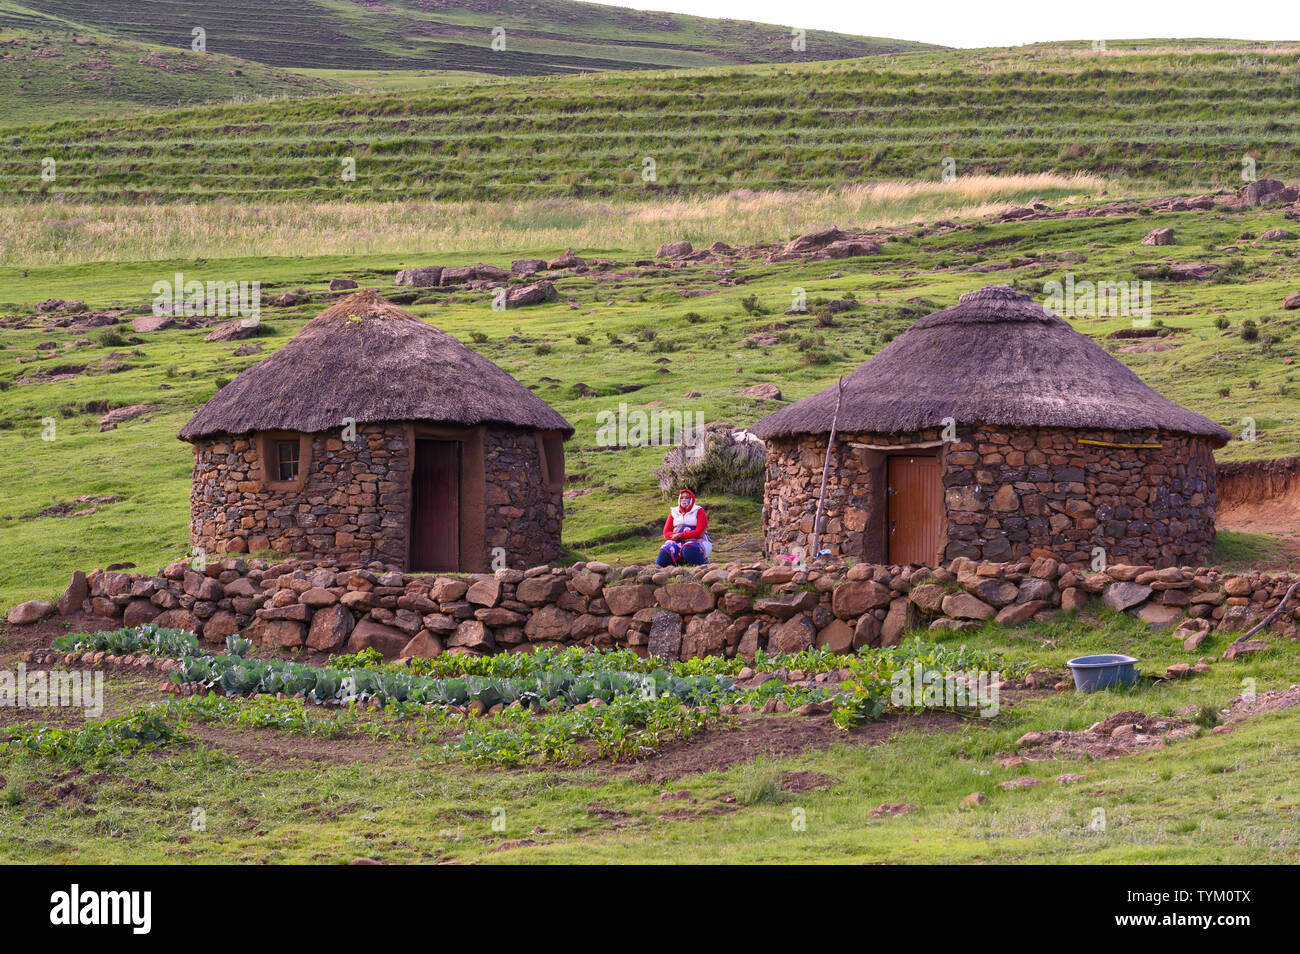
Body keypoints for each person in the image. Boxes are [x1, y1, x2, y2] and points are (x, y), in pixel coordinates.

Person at [656, 488, 712, 566]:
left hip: (696, 539)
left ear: (691, 499)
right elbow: (666, 532)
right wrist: (677, 537)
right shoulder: (674, 512)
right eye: (682, 497)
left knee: (688, 549)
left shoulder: (699, 510)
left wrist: (682, 535)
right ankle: (674, 565)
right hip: (676, 540)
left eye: (687, 498)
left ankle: (703, 564)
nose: (684, 499)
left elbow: (700, 531)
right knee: (665, 552)